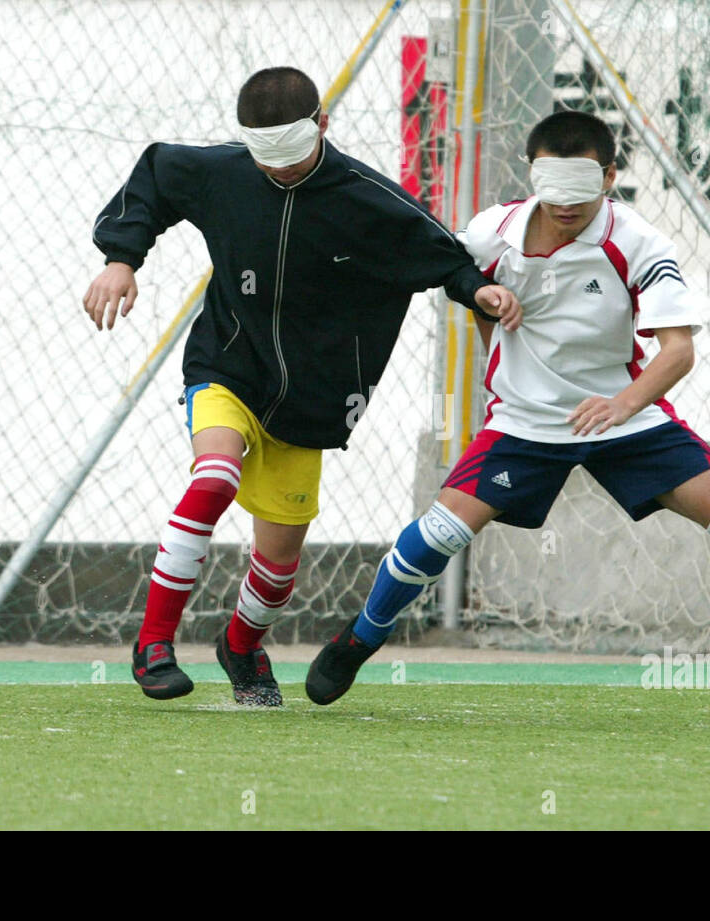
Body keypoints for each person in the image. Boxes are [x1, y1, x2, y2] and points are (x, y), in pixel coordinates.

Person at [305, 110, 710, 708]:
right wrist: (493, 321)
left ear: (611, 175)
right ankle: (360, 639)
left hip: (628, 418)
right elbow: (457, 277)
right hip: (525, 422)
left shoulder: (637, 242)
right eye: (554, 194)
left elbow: (678, 351)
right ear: (532, 175)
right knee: (437, 535)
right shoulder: (492, 232)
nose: (566, 210)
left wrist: (622, 405)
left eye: (581, 195)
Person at [83, 66, 521, 706]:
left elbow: (444, 256)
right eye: (267, 160)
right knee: (214, 478)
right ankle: (153, 645)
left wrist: (476, 290)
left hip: (311, 401)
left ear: (323, 124)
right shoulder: (222, 173)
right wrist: (121, 258)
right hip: (227, 364)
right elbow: (155, 174)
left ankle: (241, 644)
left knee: (279, 568)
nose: (280, 173)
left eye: (291, 157)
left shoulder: (365, 198)